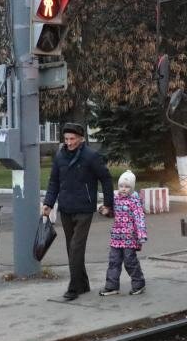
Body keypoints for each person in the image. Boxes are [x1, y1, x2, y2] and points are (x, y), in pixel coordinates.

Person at [41, 123, 113, 301]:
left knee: (76, 248)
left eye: (72, 139)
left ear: (81, 139)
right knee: (71, 248)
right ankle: (84, 284)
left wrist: (108, 203)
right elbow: (53, 182)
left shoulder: (91, 156)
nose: (69, 142)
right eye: (66, 139)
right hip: (65, 208)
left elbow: (106, 178)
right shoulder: (60, 156)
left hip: (84, 208)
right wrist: (48, 203)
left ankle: (73, 288)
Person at [98, 170, 147, 296]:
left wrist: (141, 234)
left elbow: (139, 218)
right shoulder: (115, 198)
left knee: (130, 261)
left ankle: (138, 284)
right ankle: (111, 286)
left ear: (132, 188)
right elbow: (112, 213)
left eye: (127, 187)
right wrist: (105, 211)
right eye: (121, 186)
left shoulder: (134, 201)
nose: (123, 189)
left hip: (130, 237)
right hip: (117, 236)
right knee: (113, 261)